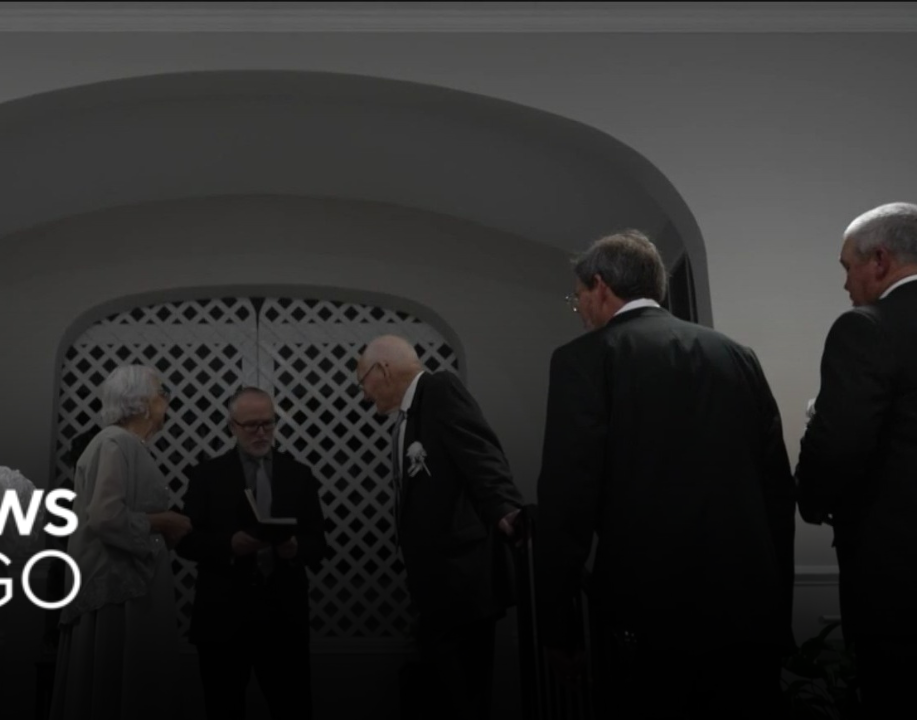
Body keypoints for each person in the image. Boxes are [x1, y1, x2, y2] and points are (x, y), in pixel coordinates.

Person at [533, 230, 795, 719]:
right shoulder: (736, 355)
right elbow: (776, 489)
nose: (582, 311)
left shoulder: (584, 360)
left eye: (579, 299)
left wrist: (558, 628)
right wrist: (778, 613)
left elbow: (567, 496)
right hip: (746, 606)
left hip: (647, 608)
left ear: (600, 285)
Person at [355, 335, 524, 719]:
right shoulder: (407, 418)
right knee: (440, 694)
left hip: (463, 582)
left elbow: (482, 457)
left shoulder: (440, 390)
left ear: (382, 369)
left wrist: (506, 510)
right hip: (436, 589)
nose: (364, 395)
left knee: (462, 697)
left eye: (362, 381)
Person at [796, 202, 917, 717]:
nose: (846, 285)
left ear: (880, 261)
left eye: (848, 268)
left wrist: (810, 496)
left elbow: (841, 443)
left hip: (898, 569)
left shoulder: (866, 329)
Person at [50, 364, 192, 720]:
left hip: (128, 586)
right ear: (141, 401)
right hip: (117, 594)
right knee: (118, 685)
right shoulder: (115, 442)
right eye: (160, 393)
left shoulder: (125, 444)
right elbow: (106, 517)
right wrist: (164, 521)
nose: (166, 400)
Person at [177, 386, 328, 720]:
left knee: (294, 707)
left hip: (283, 617)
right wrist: (229, 545)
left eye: (268, 423)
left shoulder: (298, 475)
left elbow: (319, 542)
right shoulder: (207, 476)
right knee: (223, 707)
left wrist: (294, 549)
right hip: (223, 617)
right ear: (232, 426)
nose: (262, 432)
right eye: (251, 425)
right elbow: (186, 541)